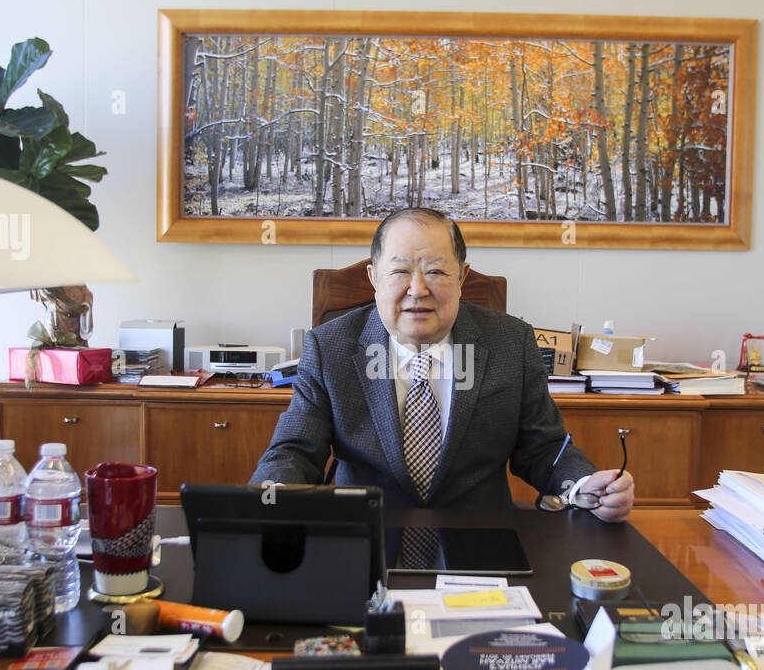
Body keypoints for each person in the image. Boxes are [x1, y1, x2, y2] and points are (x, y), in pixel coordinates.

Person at [251, 207, 634, 522]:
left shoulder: (511, 342)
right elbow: (295, 449)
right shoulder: (329, 346)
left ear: (462, 277)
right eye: (400, 271)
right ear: (374, 278)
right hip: (364, 536)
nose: (417, 290)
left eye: (435, 271)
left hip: (480, 539)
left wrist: (585, 486)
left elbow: (542, 447)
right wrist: (274, 497)